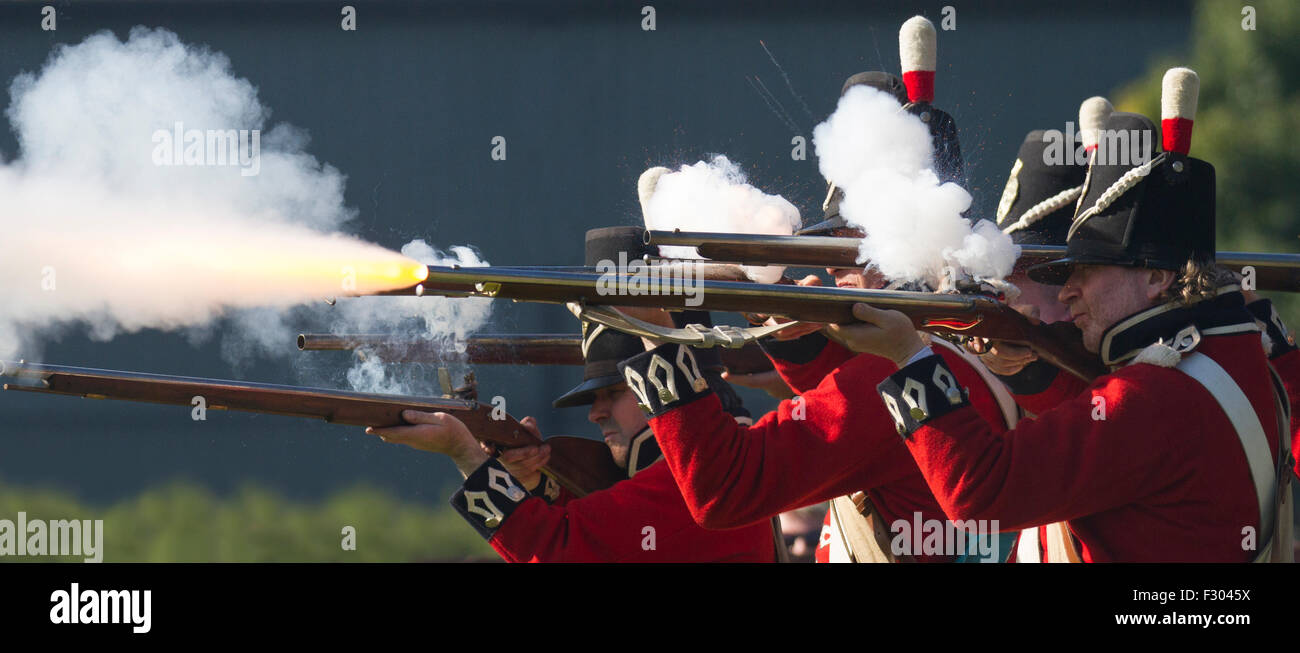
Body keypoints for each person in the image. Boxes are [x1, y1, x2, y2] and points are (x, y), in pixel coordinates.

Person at [838, 69, 1293, 562]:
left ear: (1157, 277)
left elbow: (983, 496)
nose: (1070, 290)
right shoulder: (1231, 352)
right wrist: (1031, 358)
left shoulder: (1154, 398)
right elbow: (1098, 418)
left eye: (1090, 269)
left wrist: (908, 359)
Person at [365, 322, 776, 563]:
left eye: (611, 393)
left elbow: (560, 548)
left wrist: (467, 455)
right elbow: (603, 530)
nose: (595, 414)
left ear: (658, 389)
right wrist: (534, 485)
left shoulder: (683, 483)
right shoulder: (700, 471)